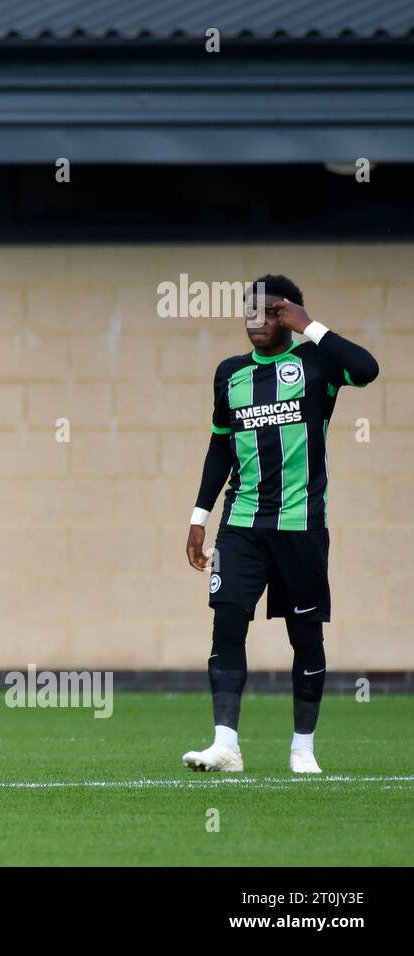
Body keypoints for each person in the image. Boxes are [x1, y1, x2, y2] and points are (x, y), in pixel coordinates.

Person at [183, 275, 379, 774]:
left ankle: (302, 749)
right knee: (227, 620)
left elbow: (368, 368)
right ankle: (225, 745)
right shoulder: (230, 374)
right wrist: (199, 517)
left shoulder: (317, 365)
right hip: (241, 524)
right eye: (249, 312)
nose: (257, 321)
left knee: (305, 636)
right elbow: (219, 448)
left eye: (269, 312)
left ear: (288, 314)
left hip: (301, 525)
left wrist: (309, 325)